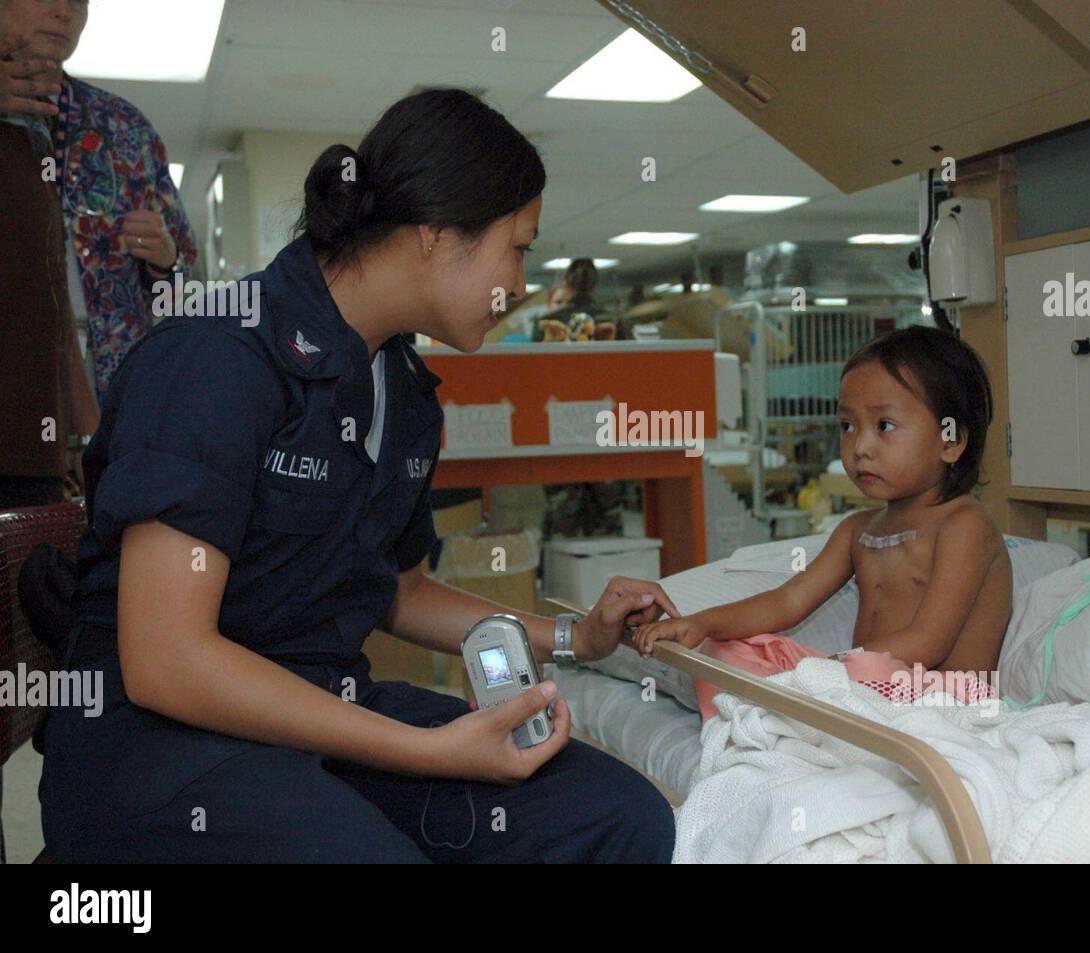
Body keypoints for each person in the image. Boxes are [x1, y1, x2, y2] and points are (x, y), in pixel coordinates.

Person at [38, 87, 680, 863]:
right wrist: (429, 750)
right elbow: (166, 660)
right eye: (518, 247)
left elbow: (397, 589)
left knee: (619, 815)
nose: (520, 280)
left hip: (316, 706)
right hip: (161, 746)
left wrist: (577, 637)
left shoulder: (402, 390)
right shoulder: (216, 357)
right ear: (437, 233)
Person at [632, 325, 1012, 720]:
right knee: (725, 650)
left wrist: (831, 669)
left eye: (884, 426)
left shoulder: (965, 524)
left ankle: (797, 712)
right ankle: (784, 716)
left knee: (860, 669)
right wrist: (702, 623)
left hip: (943, 697)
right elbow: (788, 601)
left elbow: (929, 642)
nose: (860, 448)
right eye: (847, 426)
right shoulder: (858, 530)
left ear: (950, 440)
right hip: (860, 687)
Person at [2, 0, 198, 405]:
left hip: (109, 395)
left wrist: (164, 262)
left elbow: (185, 292)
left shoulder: (123, 128)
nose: (64, 12)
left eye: (79, 2)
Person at [0, 20, 98, 507]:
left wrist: (86, 436)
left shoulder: (36, 132)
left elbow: (48, 296)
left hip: (32, 456)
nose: (63, 10)